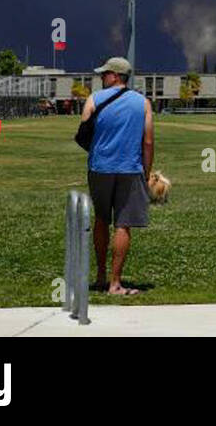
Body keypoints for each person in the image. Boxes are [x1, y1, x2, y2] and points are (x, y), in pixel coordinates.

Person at [81, 56, 154, 296]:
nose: (102, 77)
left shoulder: (94, 99)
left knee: (101, 219)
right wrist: (146, 171)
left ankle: (101, 276)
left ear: (115, 76)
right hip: (130, 170)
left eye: (105, 74)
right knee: (123, 225)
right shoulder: (143, 103)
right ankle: (115, 283)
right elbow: (148, 141)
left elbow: (84, 132)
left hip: (100, 168)